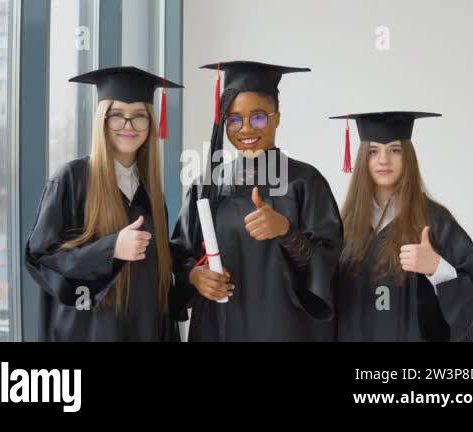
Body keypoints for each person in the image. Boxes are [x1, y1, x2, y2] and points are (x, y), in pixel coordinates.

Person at [171, 61, 343, 341]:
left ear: (277, 118)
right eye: (234, 119)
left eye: (259, 117)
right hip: (219, 329)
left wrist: (286, 232)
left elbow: (328, 265)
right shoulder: (207, 186)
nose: (246, 129)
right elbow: (179, 256)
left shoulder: (305, 182)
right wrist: (194, 276)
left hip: (286, 331)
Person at [25, 66, 183, 341]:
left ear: (151, 123)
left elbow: (159, 277)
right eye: (117, 116)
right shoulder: (71, 179)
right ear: (102, 120)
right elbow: (42, 259)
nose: (128, 126)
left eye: (139, 117)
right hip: (91, 332)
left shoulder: (151, 193)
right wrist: (110, 250)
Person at [330, 111, 473, 341]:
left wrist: (437, 268)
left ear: (409, 157)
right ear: (363, 159)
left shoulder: (435, 221)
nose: (384, 159)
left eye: (395, 150)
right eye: (374, 151)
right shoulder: (344, 226)